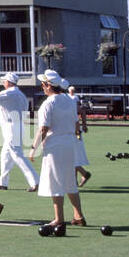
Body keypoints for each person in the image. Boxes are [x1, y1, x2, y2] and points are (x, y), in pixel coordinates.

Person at [28, 70, 86, 231]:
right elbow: (76, 124)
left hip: (55, 145)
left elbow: (43, 129)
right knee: (69, 180)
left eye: (43, 84)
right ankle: (78, 215)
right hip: (69, 143)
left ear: (48, 86)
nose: (42, 87)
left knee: (55, 181)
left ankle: (59, 219)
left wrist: (34, 148)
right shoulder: (69, 100)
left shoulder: (48, 103)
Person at [0, 72, 38, 192]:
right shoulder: (19, 94)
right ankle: (2, 182)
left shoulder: (10, 92)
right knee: (5, 155)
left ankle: (36, 181)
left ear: (9, 82)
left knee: (17, 155)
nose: (3, 82)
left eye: (4, 81)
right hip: (16, 126)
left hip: (12, 127)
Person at [67, 86, 92, 186]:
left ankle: (83, 174)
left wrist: (84, 127)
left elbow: (82, 112)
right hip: (71, 132)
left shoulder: (71, 101)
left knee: (72, 156)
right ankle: (77, 178)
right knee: (72, 156)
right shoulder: (68, 100)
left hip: (74, 132)